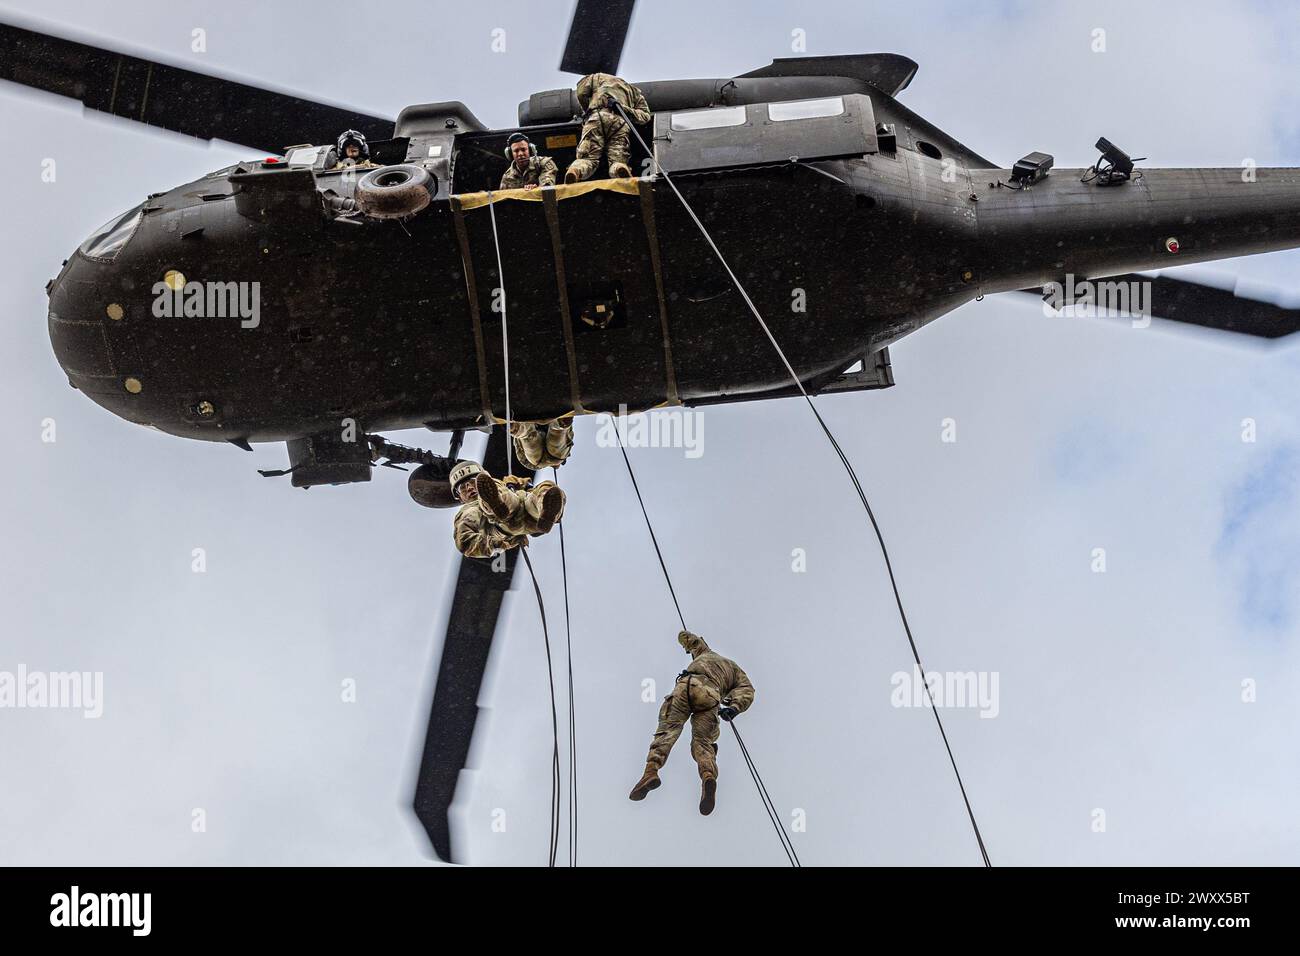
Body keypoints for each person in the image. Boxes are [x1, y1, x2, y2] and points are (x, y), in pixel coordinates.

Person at [629, 630, 755, 815]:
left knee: (667, 730)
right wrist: (734, 707)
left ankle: (651, 772)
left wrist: (688, 645)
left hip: (687, 685)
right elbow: (748, 690)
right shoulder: (736, 672)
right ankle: (708, 776)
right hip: (711, 695)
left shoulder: (705, 652)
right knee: (703, 743)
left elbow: (685, 635)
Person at [450, 461, 565, 559]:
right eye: (463, 487)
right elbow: (464, 541)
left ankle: (545, 512)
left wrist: (524, 486)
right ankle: (494, 505)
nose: (469, 487)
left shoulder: (508, 485)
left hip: (526, 511)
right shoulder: (469, 511)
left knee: (546, 488)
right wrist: (494, 544)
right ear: (459, 497)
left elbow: (525, 486)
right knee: (493, 497)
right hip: (502, 526)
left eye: (473, 481)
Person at [563, 73, 651, 184]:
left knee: (589, 158)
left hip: (597, 117)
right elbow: (645, 116)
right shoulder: (633, 91)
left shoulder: (596, 77)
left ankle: (576, 170)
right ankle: (619, 169)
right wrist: (623, 109)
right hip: (619, 123)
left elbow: (581, 93)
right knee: (617, 158)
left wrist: (587, 110)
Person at [510, 417, 574, 470]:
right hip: (538, 462)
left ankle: (561, 423)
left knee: (556, 432)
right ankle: (516, 428)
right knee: (529, 436)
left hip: (553, 458)